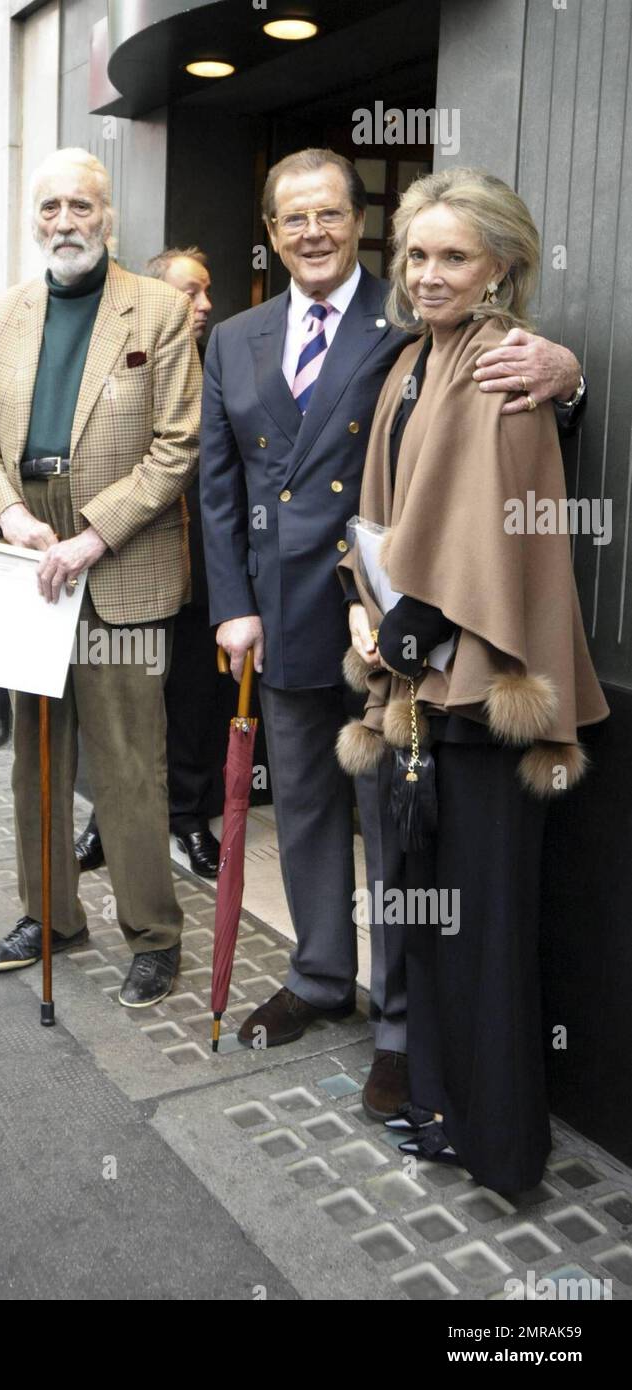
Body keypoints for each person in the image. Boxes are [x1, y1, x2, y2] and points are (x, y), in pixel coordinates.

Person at [200, 148, 586, 1118]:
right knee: (309, 812)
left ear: (356, 221)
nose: (313, 232)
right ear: (274, 230)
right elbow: (218, 482)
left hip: (405, 622)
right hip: (287, 613)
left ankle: (400, 1024)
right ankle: (322, 973)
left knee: (396, 830)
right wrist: (231, 602)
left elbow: (503, 408)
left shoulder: (411, 318)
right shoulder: (237, 335)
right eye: (293, 219)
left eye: (329, 213)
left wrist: (568, 374)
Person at [336, 167, 607, 1192]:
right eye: (417, 254)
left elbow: (499, 534)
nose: (431, 272)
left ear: (501, 265)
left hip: (481, 687)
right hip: (419, 677)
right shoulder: (416, 360)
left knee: (485, 924)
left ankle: (501, 1146)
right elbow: (394, 516)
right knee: (434, 913)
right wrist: (369, 609)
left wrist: (410, 625)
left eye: (455, 255)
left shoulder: (508, 362)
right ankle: (442, 1111)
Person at [0, 147, 201, 1007]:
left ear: (109, 217)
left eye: (82, 207)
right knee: (38, 755)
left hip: (120, 558)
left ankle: (153, 935)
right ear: (36, 218)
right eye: (51, 207)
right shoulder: (11, 310)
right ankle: (51, 916)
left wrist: (91, 535)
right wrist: (10, 518)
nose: (66, 221)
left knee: (131, 762)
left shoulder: (159, 309)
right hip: (29, 553)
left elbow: (177, 446)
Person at [74, 245, 228, 880]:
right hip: (129, 556)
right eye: (192, 292)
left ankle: (188, 816)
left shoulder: (224, 359)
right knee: (125, 703)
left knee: (193, 698)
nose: (204, 305)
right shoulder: (122, 354)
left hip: (205, 565)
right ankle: (107, 821)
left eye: (207, 291)